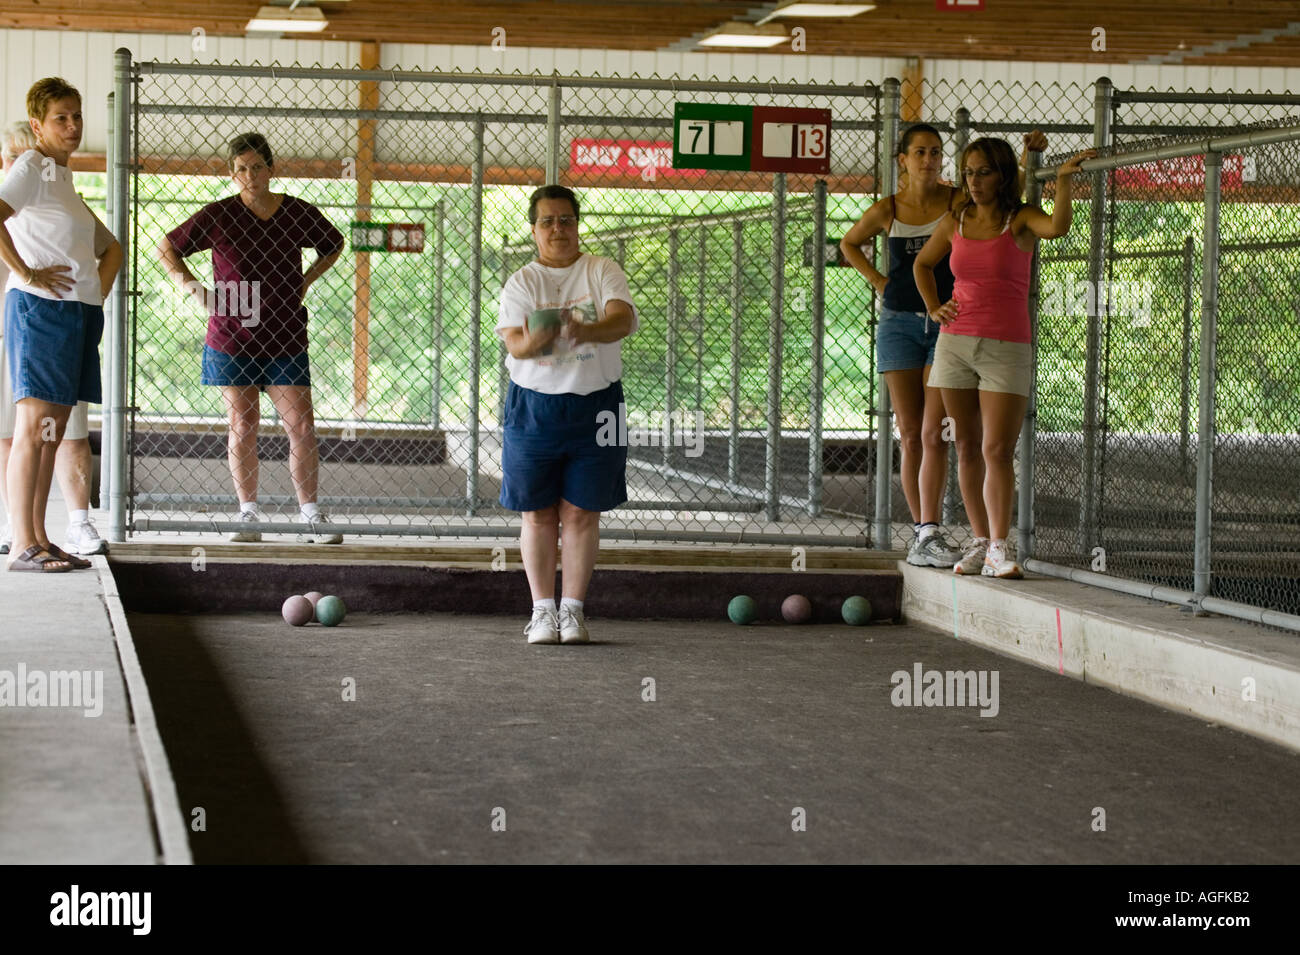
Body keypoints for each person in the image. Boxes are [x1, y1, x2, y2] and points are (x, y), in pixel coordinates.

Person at [842, 124, 1047, 567]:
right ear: (903, 160)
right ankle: (925, 531)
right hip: (900, 322)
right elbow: (850, 243)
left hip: (951, 326)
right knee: (911, 432)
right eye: (920, 152)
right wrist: (880, 281)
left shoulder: (958, 201)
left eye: (936, 152)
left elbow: (1003, 197)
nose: (929, 160)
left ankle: (979, 539)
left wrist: (1030, 162)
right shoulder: (888, 208)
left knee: (939, 433)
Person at [915, 137, 1095, 578]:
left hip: (1005, 347)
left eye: (984, 172)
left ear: (1002, 176)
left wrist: (1063, 180)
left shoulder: (1020, 220)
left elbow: (1058, 227)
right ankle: (980, 542)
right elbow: (922, 264)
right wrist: (934, 306)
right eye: (968, 172)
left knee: (997, 448)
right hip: (954, 343)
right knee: (965, 446)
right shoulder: (956, 219)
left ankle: (999, 546)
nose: (974, 182)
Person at [158, 132, 344, 543]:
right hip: (232, 337)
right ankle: (249, 515)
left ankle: (310, 514)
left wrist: (306, 281)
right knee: (243, 423)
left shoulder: (295, 212)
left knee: (301, 425)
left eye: (257, 167)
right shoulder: (218, 215)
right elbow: (167, 246)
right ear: (232, 173)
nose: (250, 175)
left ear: (271, 169)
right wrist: (191, 286)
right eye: (241, 169)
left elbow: (334, 244)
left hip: (285, 335)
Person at [495, 185, 637, 645]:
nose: (558, 229)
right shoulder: (522, 282)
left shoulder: (602, 270)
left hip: (598, 405)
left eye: (566, 220)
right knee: (537, 513)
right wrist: (541, 337)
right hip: (534, 407)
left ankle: (573, 611)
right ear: (534, 229)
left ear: (578, 224)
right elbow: (515, 344)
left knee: (581, 512)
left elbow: (622, 321)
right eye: (548, 221)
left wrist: (585, 329)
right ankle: (542, 611)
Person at [0, 78, 122, 572]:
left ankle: (41, 539)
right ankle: (21, 545)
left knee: (51, 431)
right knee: (33, 430)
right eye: (60, 118)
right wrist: (26, 272)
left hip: (75, 314)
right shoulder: (31, 165)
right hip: (39, 311)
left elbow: (112, 248)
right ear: (37, 125)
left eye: (77, 116)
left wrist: (94, 293)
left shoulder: (62, 178)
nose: (73, 126)